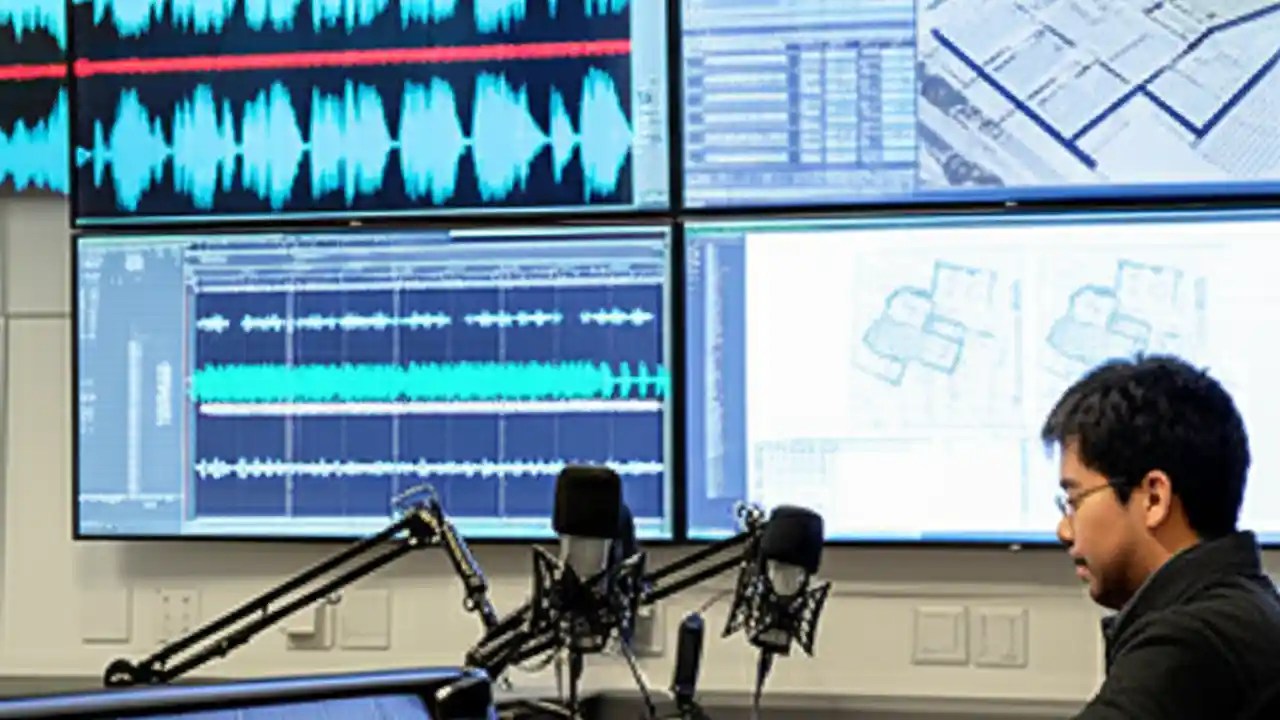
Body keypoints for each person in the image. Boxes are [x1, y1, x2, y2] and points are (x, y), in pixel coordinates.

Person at [1041, 354, 1280, 719]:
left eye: (1075, 500)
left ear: (1154, 498)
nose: (1064, 529)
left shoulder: (1190, 643)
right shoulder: (1245, 608)